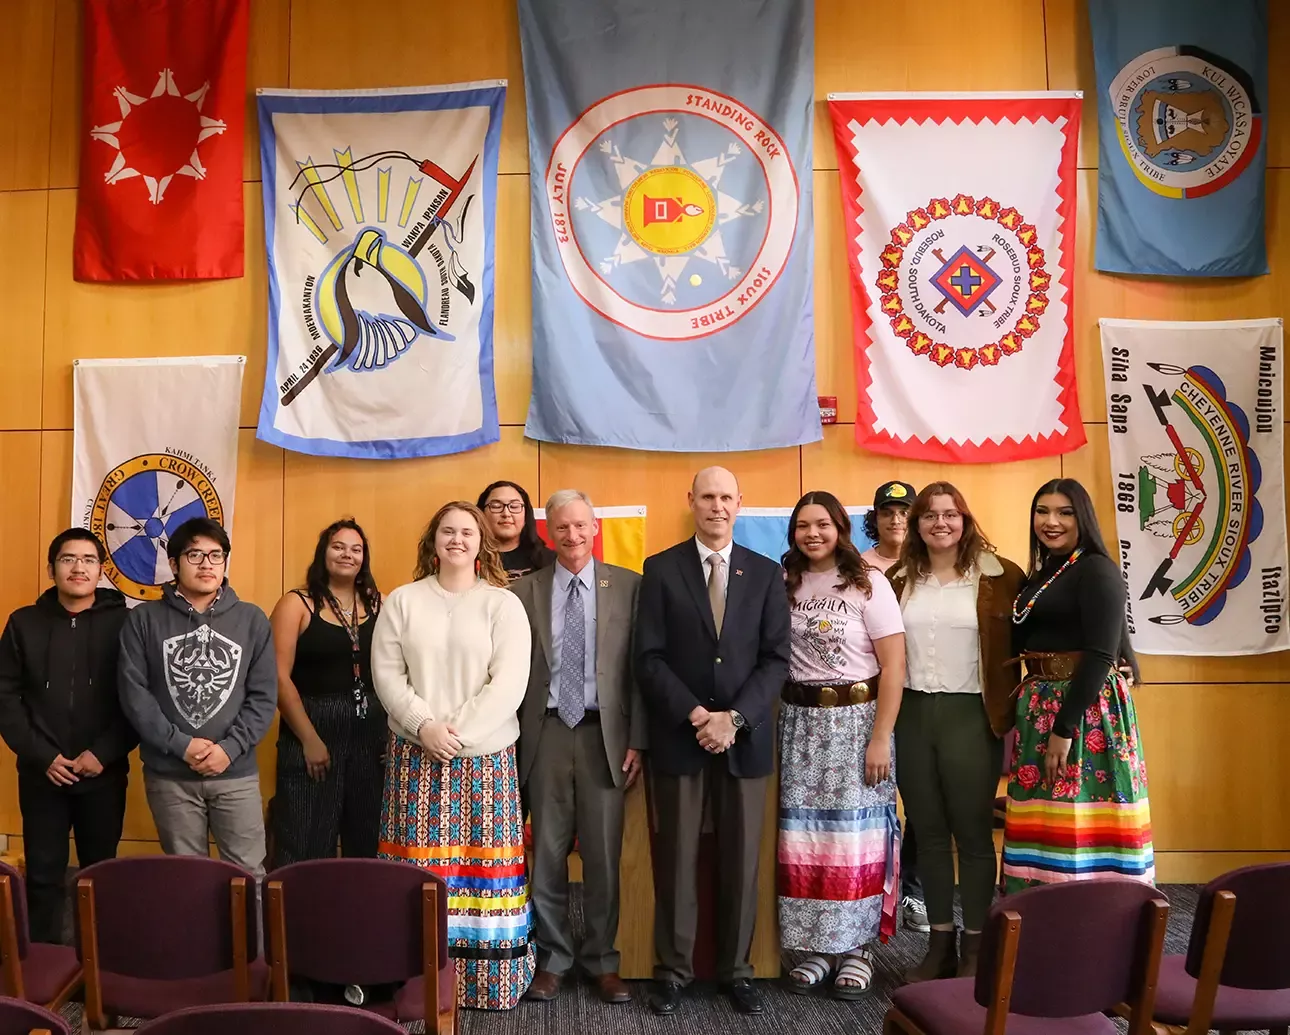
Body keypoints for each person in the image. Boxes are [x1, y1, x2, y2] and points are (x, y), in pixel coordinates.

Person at [635, 466, 790, 1017]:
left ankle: (738, 970)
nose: (717, 506)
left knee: (741, 859)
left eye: (726, 497)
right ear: (691, 502)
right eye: (707, 496)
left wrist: (735, 719)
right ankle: (673, 972)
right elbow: (647, 658)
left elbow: (776, 662)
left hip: (744, 742)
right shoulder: (660, 569)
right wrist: (699, 714)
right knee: (676, 857)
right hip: (682, 737)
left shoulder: (768, 574)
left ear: (739, 504)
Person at [371, 501, 535, 1010]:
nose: (457, 539)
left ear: (480, 541)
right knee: (419, 875)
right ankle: (415, 985)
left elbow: (508, 683)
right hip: (416, 760)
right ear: (433, 541)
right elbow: (387, 674)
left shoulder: (503, 605)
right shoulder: (402, 601)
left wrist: (456, 733)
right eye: (448, 531)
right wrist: (425, 726)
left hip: (483, 761)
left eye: (467, 532)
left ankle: (487, 986)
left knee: (480, 872)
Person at [510, 490, 645, 1005]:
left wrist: (640, 741)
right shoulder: (525, 591)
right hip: (544, 733)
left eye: (581, 526)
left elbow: (641, 670)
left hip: (605, 736)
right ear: (550, 533)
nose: (572, 536)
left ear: (595, 529)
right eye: (562, 527)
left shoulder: (629, 587)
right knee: (544, 851)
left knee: (604, 855)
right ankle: (553, 959)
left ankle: (603, 961)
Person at [888, 483, 1025, 980]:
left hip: (973, 716)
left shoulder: (1001, 575)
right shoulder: (898, 577)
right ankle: (939, 944)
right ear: (916, 524)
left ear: (965, 520)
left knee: (970, 834)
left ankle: (976, 947)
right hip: (913, 715)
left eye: (950, 514)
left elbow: (1037, 634)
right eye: (929, 515)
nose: (939, 523)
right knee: (927, 833)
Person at [779, 492, 905, 999]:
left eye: (823, 524)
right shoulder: (782, 583)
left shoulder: (867, 583)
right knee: (806, 838)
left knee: (855, 841)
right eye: (803, 526)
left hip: (856, 724)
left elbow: (894, 665)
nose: (813, 534)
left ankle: (856, 949)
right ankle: (814, 947)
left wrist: (880, 737)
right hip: (800, 724)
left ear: (840, 529)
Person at [1003, 479, 1153, 892]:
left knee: (1083, 820)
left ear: (1082, 517)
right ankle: (1037, 928)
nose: (1051, 522)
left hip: (1084, 714)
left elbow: (1102, 657)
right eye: (1042, 511)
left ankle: (1096, 928)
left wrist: (1064, 729)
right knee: (1045, 820)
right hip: (1040, 706)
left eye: (1064, 512)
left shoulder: (1096, 570)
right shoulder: (1045, 572)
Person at [117, 518, 277, 880]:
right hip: (170, 775)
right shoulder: (143, 620)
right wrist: (181, 745)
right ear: (173, 564)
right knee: (186, 880)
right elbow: (134, 695)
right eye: (195, 555)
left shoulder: (252, 620)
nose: (207, 564)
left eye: (216, 555)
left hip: (235, 773)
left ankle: (251, 940)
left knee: (249, 875)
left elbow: (263, 697)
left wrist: (229, 749)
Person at [0, 529, 136, 944]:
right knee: (43, 874)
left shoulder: (127, 622)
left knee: (99, 873)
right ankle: (41, 970)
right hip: (43, 774)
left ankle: (101, 968)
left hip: (103, 772)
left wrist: (105, 753)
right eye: (67, 559)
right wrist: (42, 756)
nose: (78, 567)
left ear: (101, 570)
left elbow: (139, 698)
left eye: (88, 560)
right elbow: (5, 696)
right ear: (51, 568)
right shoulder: (24, 623)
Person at [269, 519, 386, 864]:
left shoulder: (382, 604)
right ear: (323, 553)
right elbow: (277, 676)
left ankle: (362, 916)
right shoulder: (296, 604)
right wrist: (309, 739)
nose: (347, 555)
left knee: (368, 844)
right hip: (312, 730)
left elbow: (400, 674)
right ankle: (302, 918)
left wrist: (393, 735)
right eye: (338, 546)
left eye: (356, 549)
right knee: (305, 842)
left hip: (369, 736)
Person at [860, 479, 928, 935]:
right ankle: (872, 890)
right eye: (888, 511)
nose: (897, 519)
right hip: (874, 699)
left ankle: (914, 891)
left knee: (922, 801)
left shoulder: (932, 563)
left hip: (923, 695)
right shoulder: (858, 567)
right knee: (875, 800)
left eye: (905, 511)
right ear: (876, 517)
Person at [477, 481, 556, 580]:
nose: (506, 513)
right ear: (481, 513)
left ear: (526, 514)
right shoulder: (469, 559)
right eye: (496, 506)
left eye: (514, 506)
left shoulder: (550, 561)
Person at [860, 480, 915, 575]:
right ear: (875, 519)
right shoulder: (860, 567)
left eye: (904, 513)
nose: (895, 521)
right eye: (887, 514)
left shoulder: (927, 564)